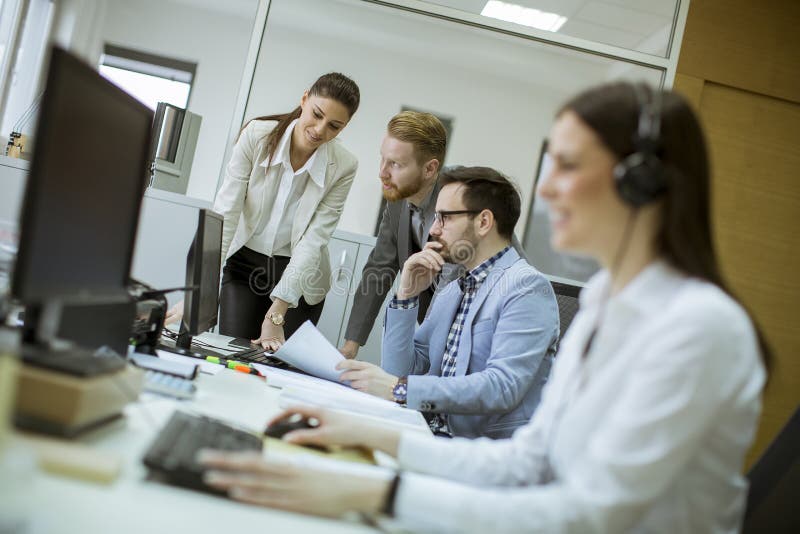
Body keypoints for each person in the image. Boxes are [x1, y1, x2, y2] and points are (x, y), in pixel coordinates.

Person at [197, 82, 769, 532]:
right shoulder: (602, 305)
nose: (546, 190)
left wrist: (373, 488)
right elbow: (529, 462)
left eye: (568, 166)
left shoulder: (697, 327)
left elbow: (587, 515)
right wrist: (370, 434)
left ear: (639, 183)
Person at [336, 166, 559, 439]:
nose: (433, 229)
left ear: (483, 222)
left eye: (444, 218)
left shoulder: (526, 287)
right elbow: (400, 370)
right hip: (428, 432)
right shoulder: (453, 290)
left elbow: (502, 386)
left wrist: (401, 389)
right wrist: (406, 296)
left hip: (481, 450)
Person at [166, 73, 360, 351]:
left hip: (299, 278)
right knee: (236, 352)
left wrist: (278, 311)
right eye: (316, 114)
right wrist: (197, 294)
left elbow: (314, 240)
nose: (319, 130)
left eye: (334, 126)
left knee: (282, 366)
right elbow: (226, 215)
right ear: (304, 99)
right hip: (245, 266)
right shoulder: (257, 136)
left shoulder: (344, 166)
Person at [338, 110, 447, 359]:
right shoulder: (398, 202)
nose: (382, 172)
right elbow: (380, 268)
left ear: (430, 169)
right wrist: (350, 346)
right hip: (431, 334)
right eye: (383, 159)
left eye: (395, 164)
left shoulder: (458, 201)